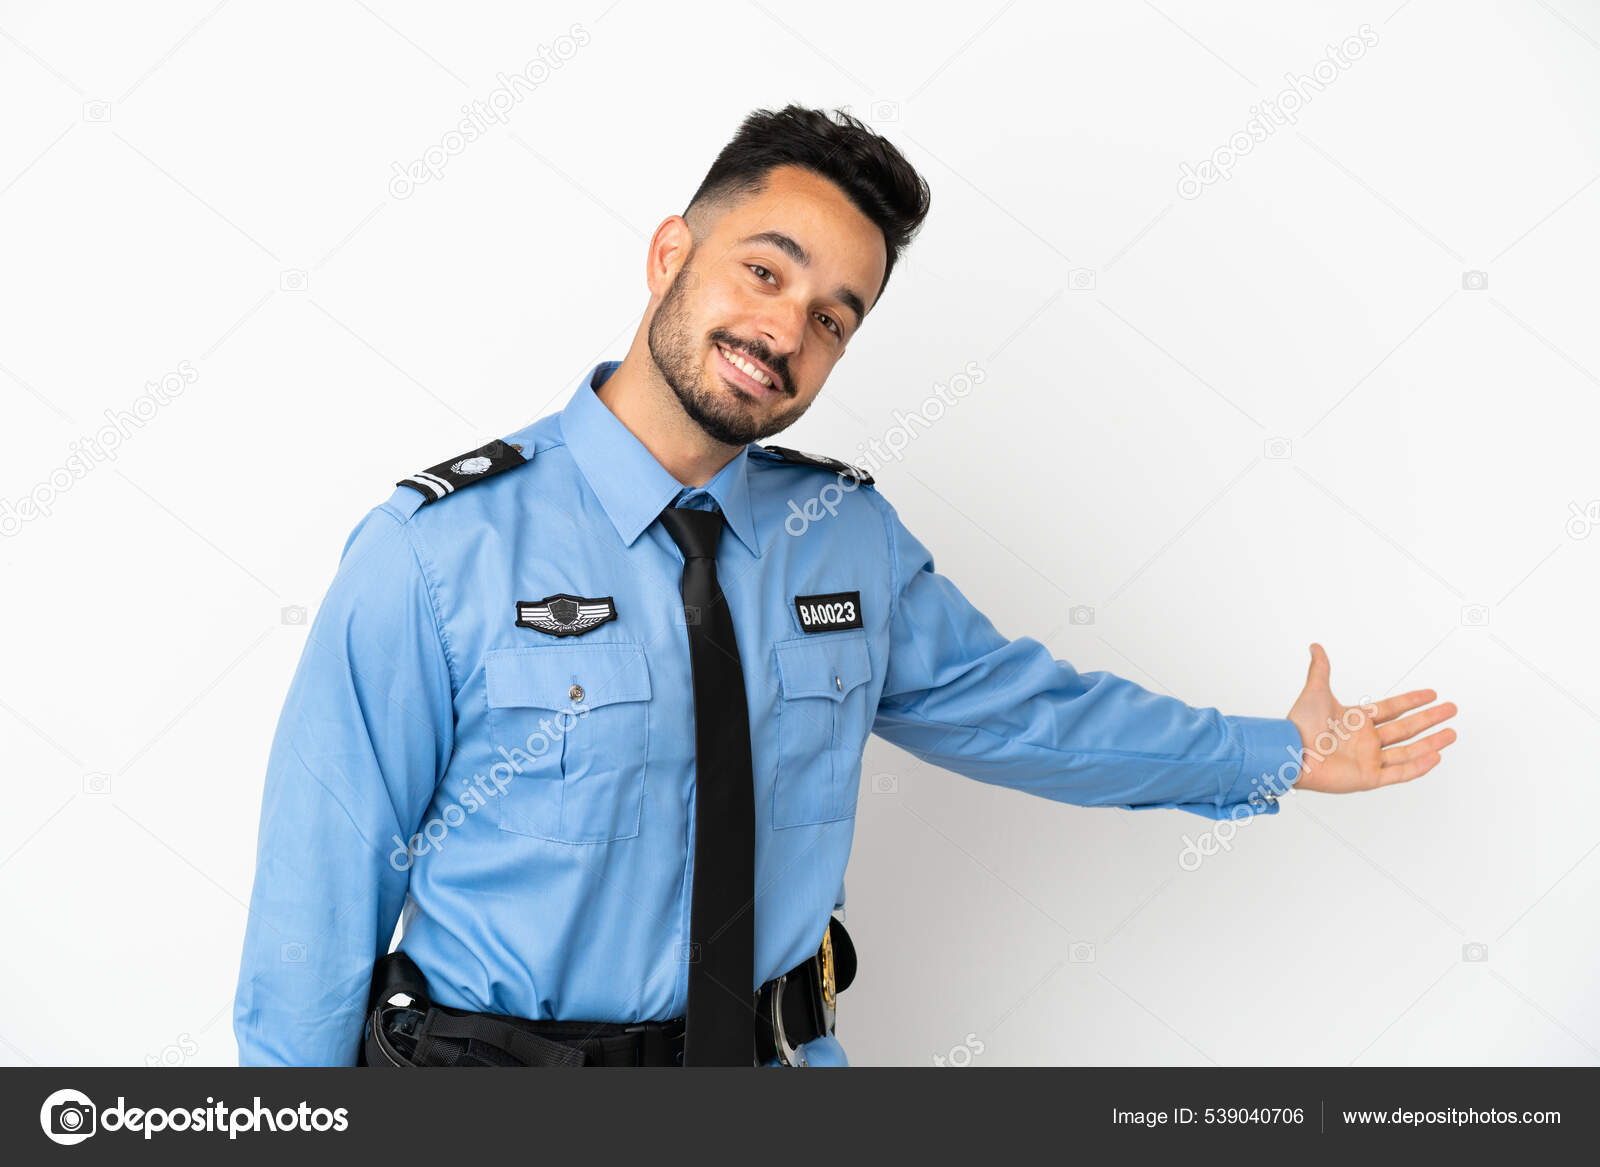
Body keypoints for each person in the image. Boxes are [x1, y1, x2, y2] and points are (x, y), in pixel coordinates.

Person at [234, 105, 1459, 1068]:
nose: (787, 331)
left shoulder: (842, 540)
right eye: (764, 273)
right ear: (671, 253)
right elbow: (318, 898)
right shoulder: (438, 553)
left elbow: (1028, 714)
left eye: (835, 315)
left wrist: (1276, 753)